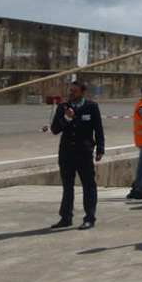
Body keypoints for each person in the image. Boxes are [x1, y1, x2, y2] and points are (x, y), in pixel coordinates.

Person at [49, 80, 104, 230]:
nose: (71, 93)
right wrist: (66, 118)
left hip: (84, 152)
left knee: (88, 185)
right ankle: (66, 217)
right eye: (70, 90)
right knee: (68, 186)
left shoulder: (91, 107)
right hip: (66, 153)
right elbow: (54, 129)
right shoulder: (63, 108)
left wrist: (100, 148)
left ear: (82, 93)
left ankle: (90, 217)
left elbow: (98, 129)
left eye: (74, 91)